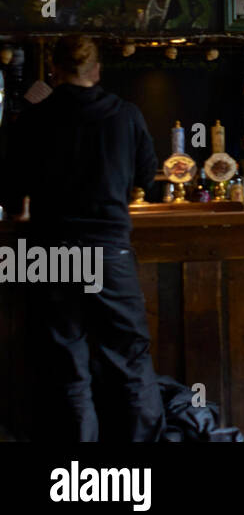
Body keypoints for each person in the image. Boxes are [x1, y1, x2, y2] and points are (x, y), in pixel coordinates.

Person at [2, 35, 164, 441]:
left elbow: (11, 191)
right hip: (108, 249)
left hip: (51, 250)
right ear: (96, 70)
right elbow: (147, 177)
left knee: (65, 361)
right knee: (129, 358)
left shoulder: (34, 119)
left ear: (54, 70)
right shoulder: (127, 115)